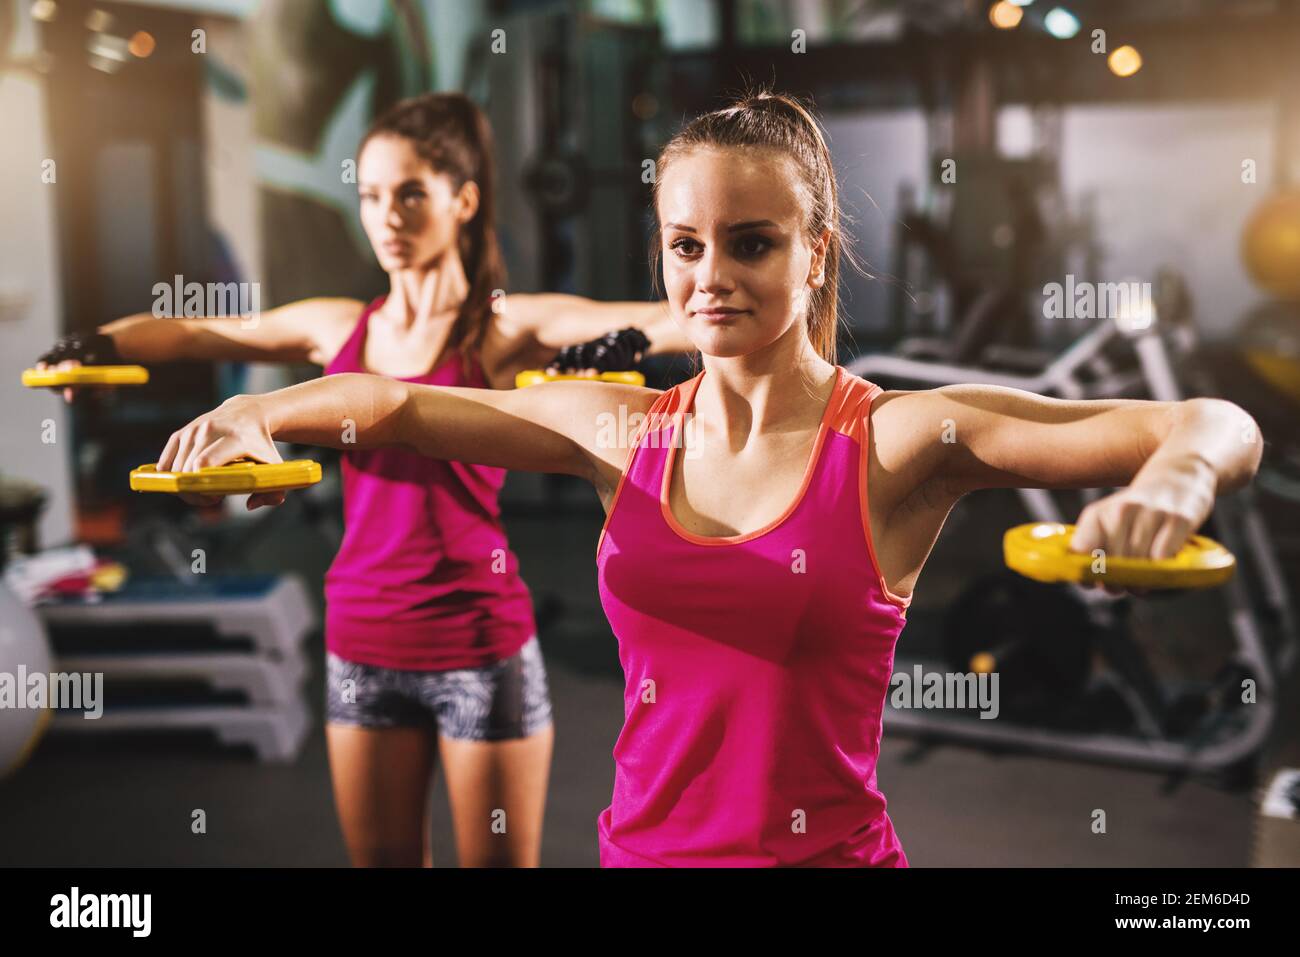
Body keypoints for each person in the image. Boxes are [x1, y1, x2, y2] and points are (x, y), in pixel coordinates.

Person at [154, 90, 1263, 867]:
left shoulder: (893, 443)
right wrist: (255, 408)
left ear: (815, 251)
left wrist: (1171, 481)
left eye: (751, 243)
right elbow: (394, 406)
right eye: (685, 245)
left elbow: (1207, 419)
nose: (711, 276)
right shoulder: (617, 428)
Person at [34, 92, 692, 868]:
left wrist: (621, 338)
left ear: (464, 200)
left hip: (477, 638)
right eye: (372, 195)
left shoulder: (502, 326)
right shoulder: (338, 325)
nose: (387, 216)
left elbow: (671, 320)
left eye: (410, 193)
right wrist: (96, 340)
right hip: (362, 636)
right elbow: (197, 329)